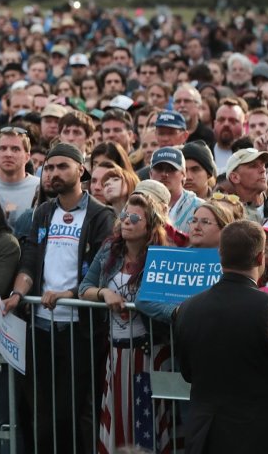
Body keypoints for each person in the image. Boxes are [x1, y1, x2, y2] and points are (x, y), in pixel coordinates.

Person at [3, 142, 115, 454]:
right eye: (49, 167)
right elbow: (30, 260)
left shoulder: (100, 215)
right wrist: (17, 294)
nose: (53, 173)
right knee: (42, 410)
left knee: (76, 411)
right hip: (40, 325)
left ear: (82, 170)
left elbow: (102, 267)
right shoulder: (42, 212)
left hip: (80, 330)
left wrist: (69, 295)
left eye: (62, 166)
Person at [175, 220, 268, 454]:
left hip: (204, 434)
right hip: (259, 436)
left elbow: (187, 372)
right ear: (259, 258)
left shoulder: (188, 307)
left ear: (220, 255)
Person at [78, 192, 175, 454]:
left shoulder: (162, 255)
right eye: (124, 216)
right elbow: (84, 288)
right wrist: (104, 293)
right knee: (118, 421)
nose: (126, 222)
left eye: (134, 218)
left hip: (149, 353)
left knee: (147, 424)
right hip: (117, 353)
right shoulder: (110, 249)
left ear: (150, 225)